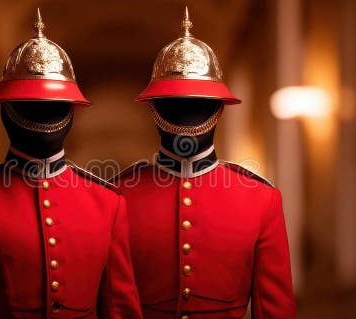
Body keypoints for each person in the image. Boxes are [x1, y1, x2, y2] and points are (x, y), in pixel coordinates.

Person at [0, 9, 142, 319]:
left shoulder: (107, 205)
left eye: (52, 107)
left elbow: (120, 311)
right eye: (32, 106)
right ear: (7, 112)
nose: (44, 114)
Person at [110, 7, 296, 319]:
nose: (188, 113)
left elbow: (275, 309)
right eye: (177, 105)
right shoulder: (117, 195)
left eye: (197, 105)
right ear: (154, 109)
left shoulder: (262, 200)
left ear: (217, 109)